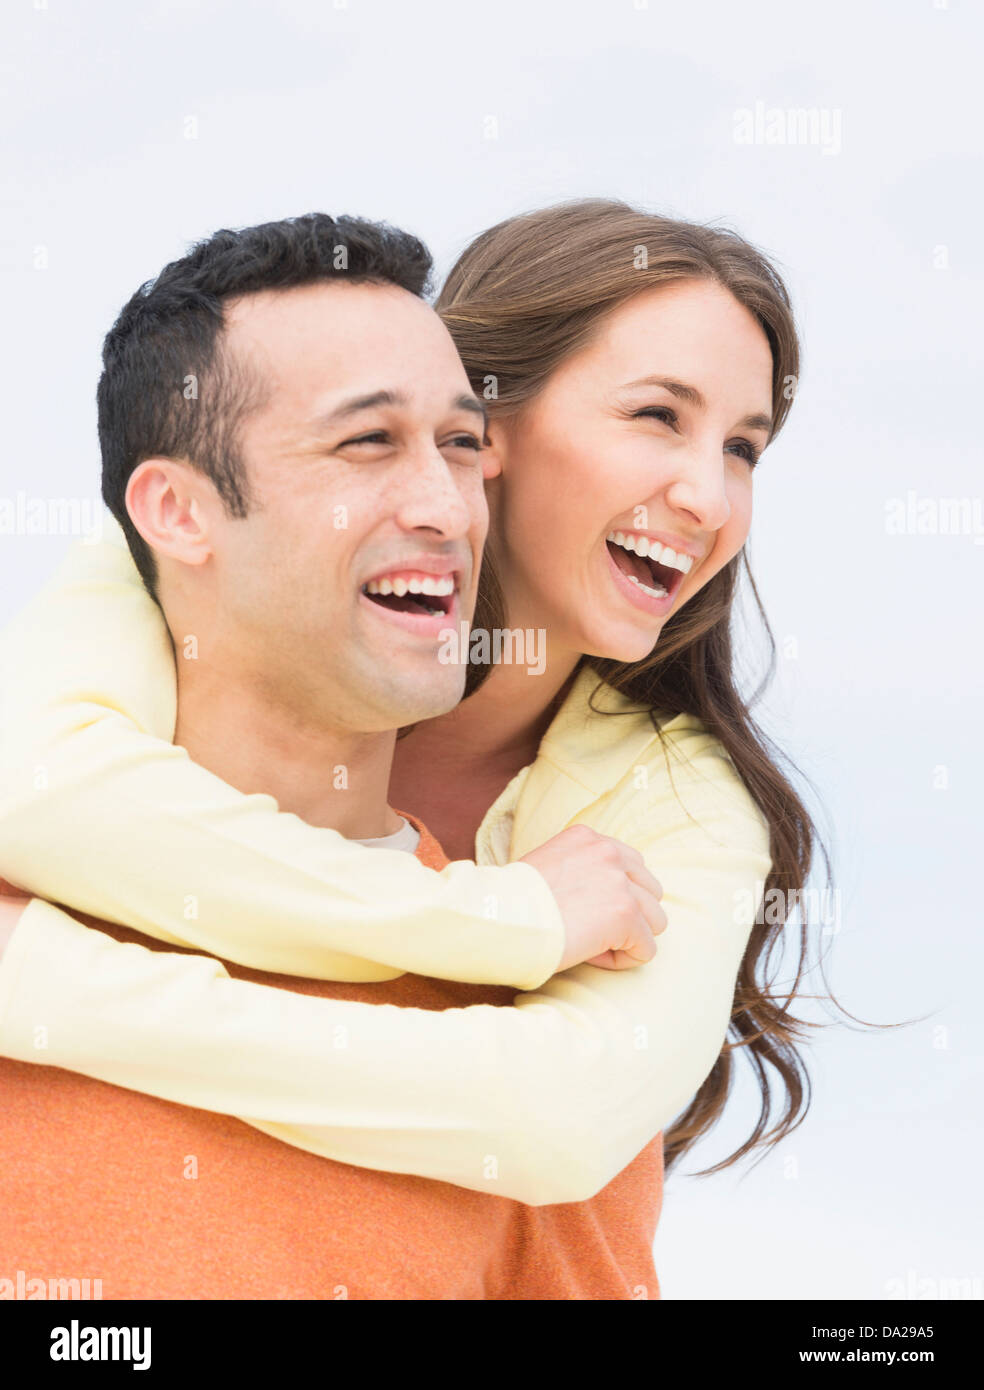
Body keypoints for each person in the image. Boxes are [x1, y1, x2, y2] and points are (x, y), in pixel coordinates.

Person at [0, 198, 818, 1294]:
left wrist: (47, 985)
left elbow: (553, 1116)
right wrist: (498, 918)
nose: (707, 494)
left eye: (744, 448)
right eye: (657, 416)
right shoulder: (154, 552)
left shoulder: (673, 818)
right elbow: (33, 784)